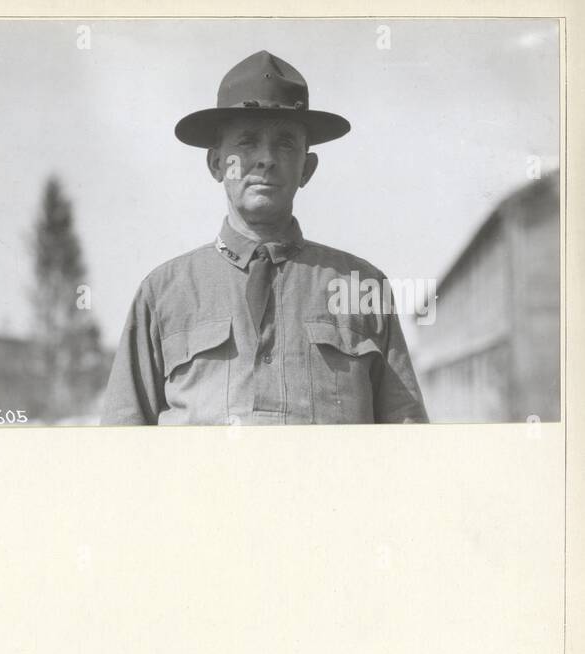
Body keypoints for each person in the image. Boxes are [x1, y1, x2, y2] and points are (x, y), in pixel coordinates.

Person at [101, 50, 428, 425]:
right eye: (247, 141)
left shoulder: (361, 287)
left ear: (307, 169)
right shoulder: (162, 294)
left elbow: (408, 444)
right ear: (216, 164)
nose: (266, 158)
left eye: (285, 143)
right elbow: (121, 445)